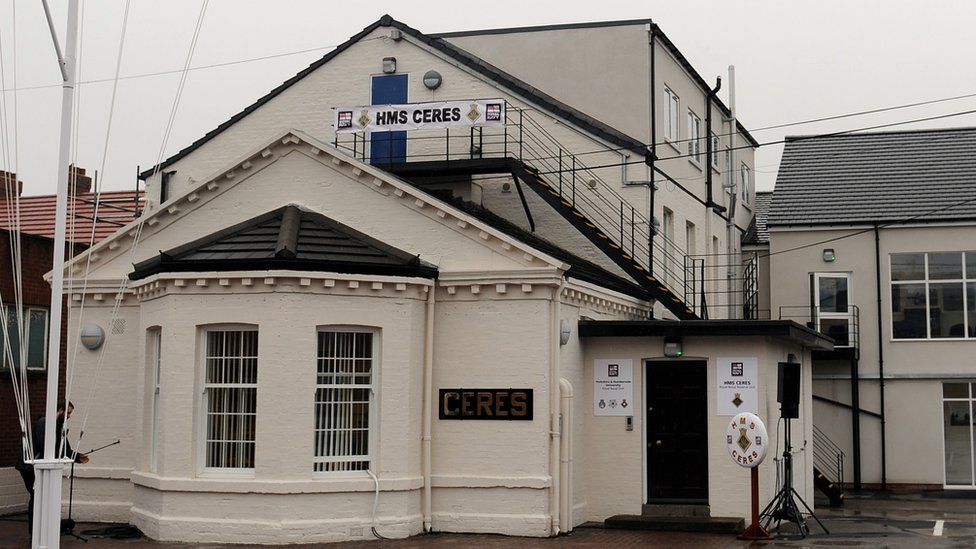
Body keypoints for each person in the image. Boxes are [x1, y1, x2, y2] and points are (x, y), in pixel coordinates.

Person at [14, 401, 89, 535]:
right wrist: (57, 456)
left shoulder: (58, 426)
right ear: (60, 410)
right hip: (30, 467)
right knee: (37, 496)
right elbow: (44, 445)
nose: (69, 416)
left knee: (41, 496)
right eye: (68, 413)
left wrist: (78, 457)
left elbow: (65, 449)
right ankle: (35, 531)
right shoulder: (44, 423)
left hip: (37, 466)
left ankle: (43, 528)